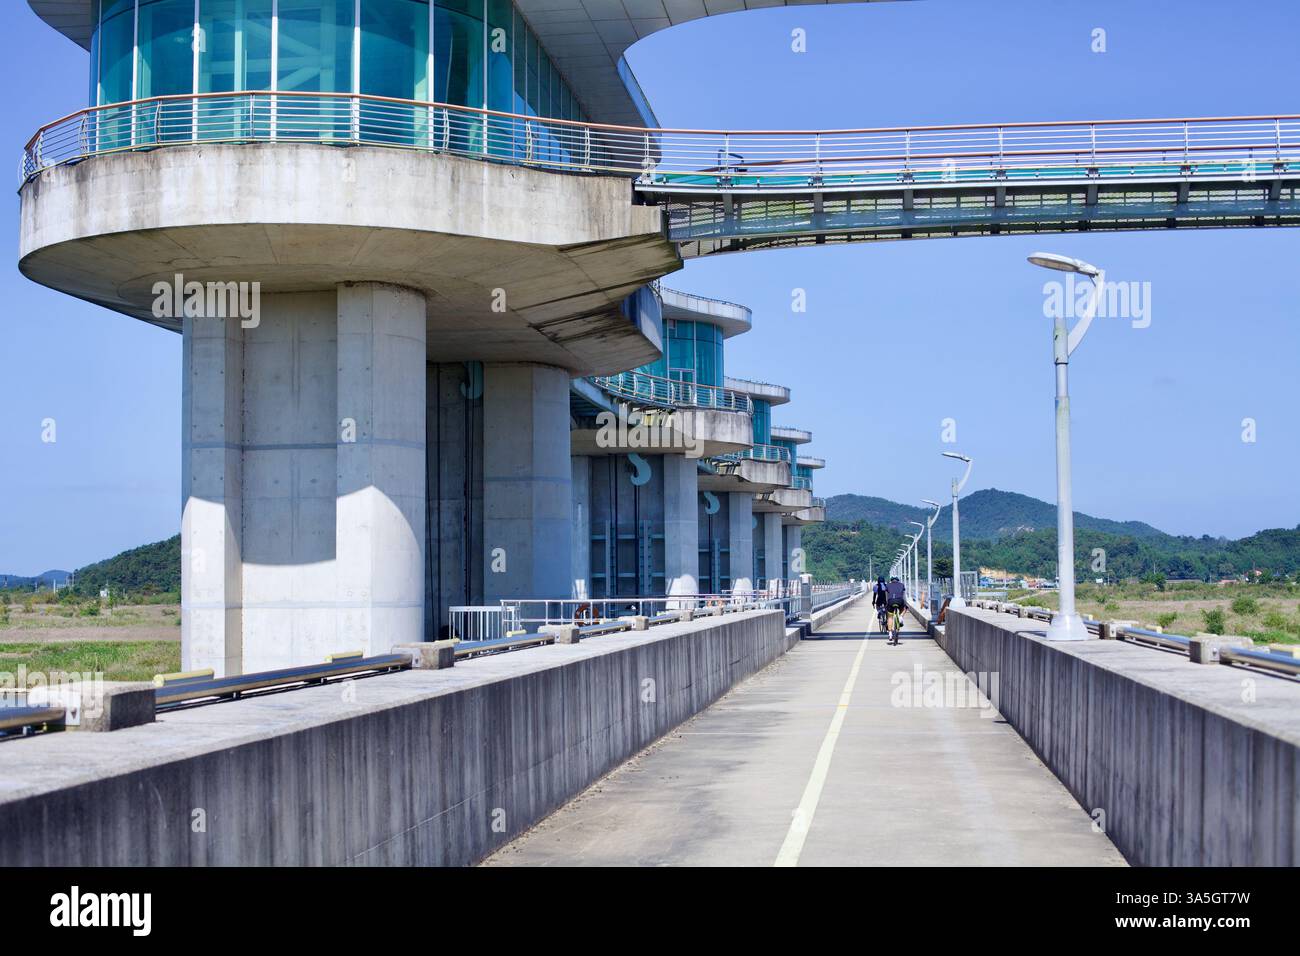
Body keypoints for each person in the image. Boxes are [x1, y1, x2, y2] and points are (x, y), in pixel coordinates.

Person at [884, 575, 907, 644]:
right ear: (898, 580)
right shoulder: (902, 585)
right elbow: (904, 596)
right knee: (904, 609)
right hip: (900, 601)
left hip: (891, 601)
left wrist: (886, 603)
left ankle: (890, 634)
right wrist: (905, 604)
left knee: (890, 616)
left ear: (891, 580)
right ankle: (900, 617)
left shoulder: (887, 585)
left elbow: (886, 596)